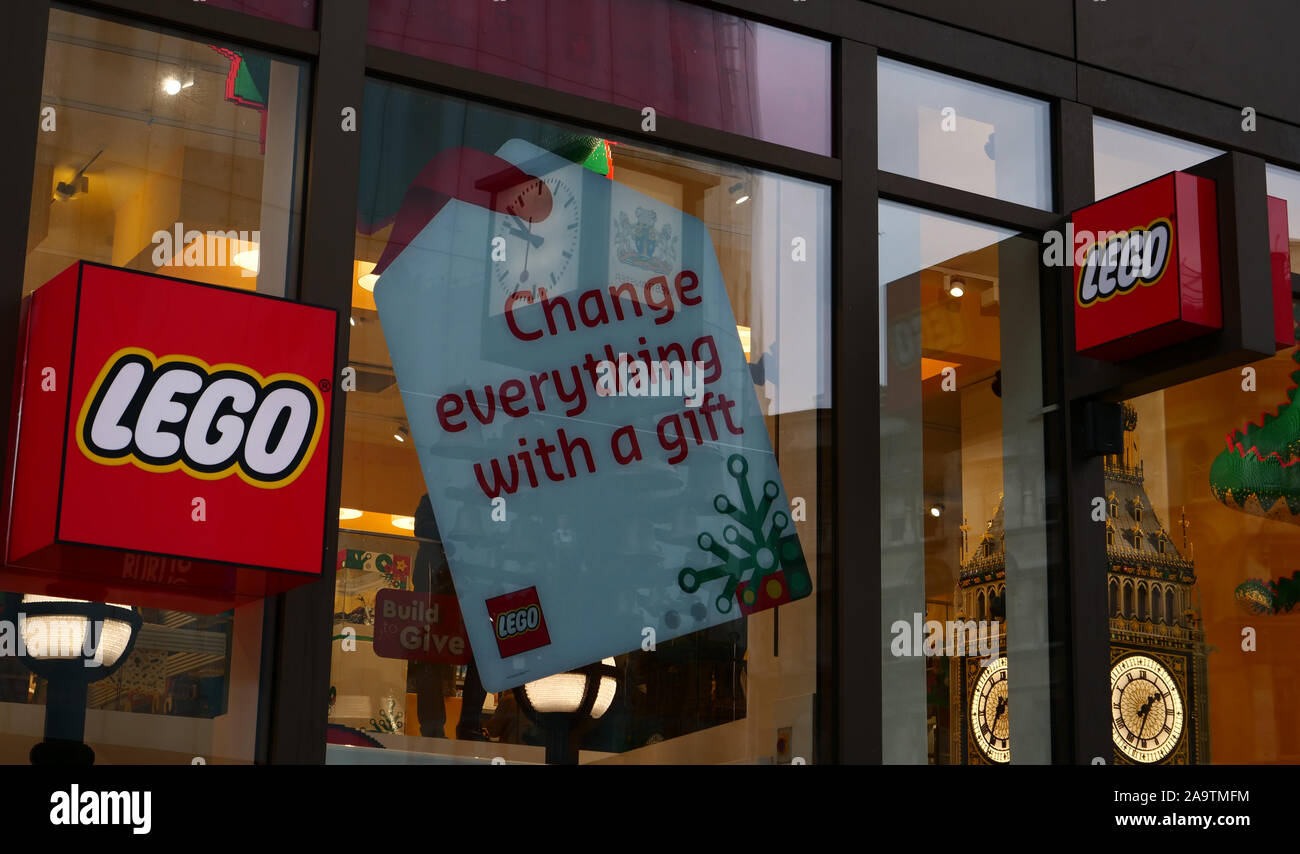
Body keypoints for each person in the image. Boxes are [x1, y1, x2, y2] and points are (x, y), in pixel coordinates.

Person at [406, 494, 488, 741]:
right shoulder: (436, 498)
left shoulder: (479, 500)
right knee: (431, 654)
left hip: (466, 585)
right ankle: (435, 726)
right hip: (437, 588)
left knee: (481, 653)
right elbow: (424, 530)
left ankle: (467, 722)